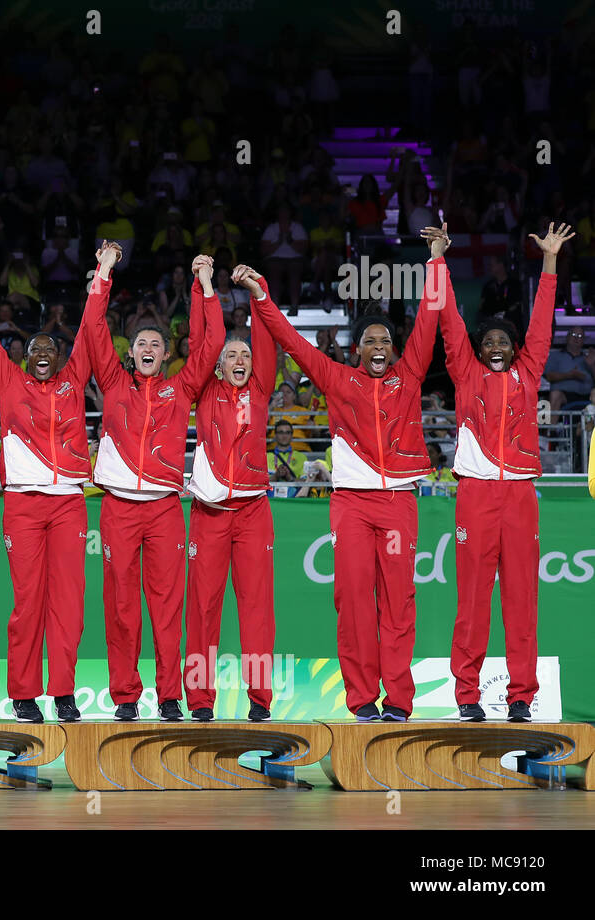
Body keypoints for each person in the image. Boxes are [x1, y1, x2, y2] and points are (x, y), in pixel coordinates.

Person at [251, 239, 441, 722]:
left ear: (396, 350)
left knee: (398, 605)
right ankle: (362, 701)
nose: (379, 348)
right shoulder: (338, 379)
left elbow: (429, 322)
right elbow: (292, 342)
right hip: (352, 507)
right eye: (370, 341)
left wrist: (436, 262)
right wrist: (261, 297)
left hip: (398, 503)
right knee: (354, 604)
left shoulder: (410, 375)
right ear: (358, 349)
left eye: (386, 341)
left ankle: (398, 701)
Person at [434, 222, 574, 722]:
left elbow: (542, 325)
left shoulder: (529, 371)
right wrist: (437, 260)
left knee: (521, 601)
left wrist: (550, 262)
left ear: (516, 350)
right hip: (474, 495)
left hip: (519, 497)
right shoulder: (465, 373)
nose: (496, 345)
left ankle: (521, 697)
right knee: (472, 602)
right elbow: (449, 320)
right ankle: (467, 696)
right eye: (488, 340)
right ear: (478, 348)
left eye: (503, 341)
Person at [0, 246, 97, 725]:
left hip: (68, 506)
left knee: (69, 604)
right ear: (24, 355)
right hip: (21, 505)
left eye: (50, 351)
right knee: (27, 602)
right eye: (34, 350)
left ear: (60, 358)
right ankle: (23, 694)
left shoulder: (74, 379)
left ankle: (63, 692)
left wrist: (102, 272)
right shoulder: (9, 381)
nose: (42, 355)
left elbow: (90, 327)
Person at [83, 243, 220, 722]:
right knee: (121, 606)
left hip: (164, 508)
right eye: (140, 343)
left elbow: (211, 346)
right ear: (131, 352)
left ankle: (169, 696)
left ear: (166, 355)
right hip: (118, 507)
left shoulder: (180, 389)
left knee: (166, 607)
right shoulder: (114, 383)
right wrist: (103, 271)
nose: (146, 349)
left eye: (155, 345)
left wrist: (204, 286)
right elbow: (93, 329)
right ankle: (124, 696)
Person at [184, 264, 282, 722]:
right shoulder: (204, 390)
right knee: (203, 610)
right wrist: (202, 287)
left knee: (257, 610)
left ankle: (259, 701)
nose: (240, 359)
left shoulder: (260, 387)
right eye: (231, 355)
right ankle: (200, 702)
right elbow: (199, 339)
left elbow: (266, 338)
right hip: (208, 513)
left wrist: (258, 290)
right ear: (219, 364)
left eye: (244, 353)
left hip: (253, 511)